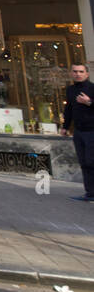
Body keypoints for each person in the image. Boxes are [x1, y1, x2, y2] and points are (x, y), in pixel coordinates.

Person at [61, 62, 94, 202]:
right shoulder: (71, 90)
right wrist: (65, 126)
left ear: (87, 73)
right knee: (84, 163)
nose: (78, 74)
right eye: (75, 71)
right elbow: (69, 109)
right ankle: (90, 193)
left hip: (92, 131)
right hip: (79, 132)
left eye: (81, 71)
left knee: (92, 162)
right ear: (71, 73)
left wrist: (89, 102)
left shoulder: (92, 88)